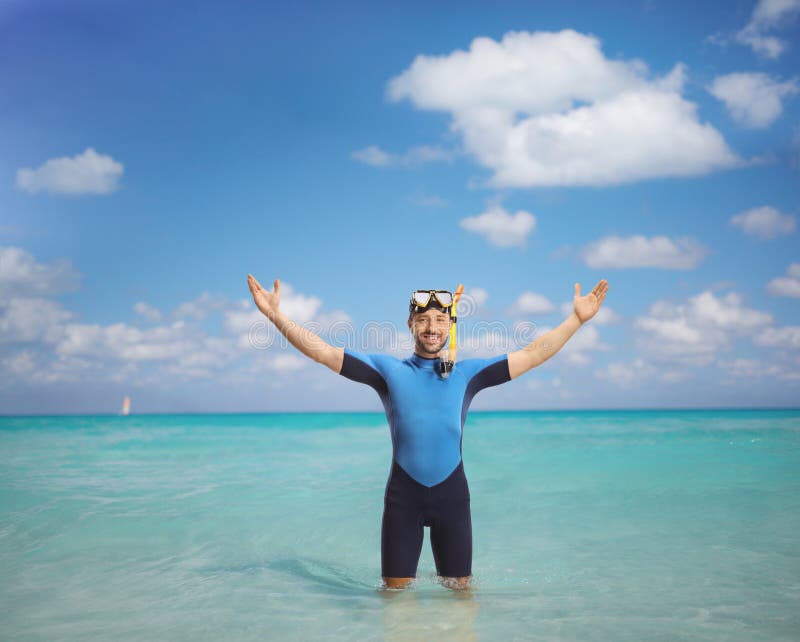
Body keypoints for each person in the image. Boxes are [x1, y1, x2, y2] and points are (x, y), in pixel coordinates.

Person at [246, 275, 609, 590]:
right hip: (403, 501)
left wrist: (576, 320)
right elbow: (323, 352)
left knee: (461, 601)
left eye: (439, 319)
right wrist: (275, 315)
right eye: (423, 319)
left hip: (454, 500)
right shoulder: (388, 371)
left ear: (450, 326)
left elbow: (533, 354)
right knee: (395, 603)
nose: (432, 327)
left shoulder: (467, 375)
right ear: (410, 324)